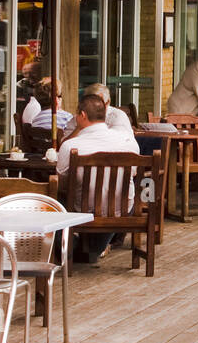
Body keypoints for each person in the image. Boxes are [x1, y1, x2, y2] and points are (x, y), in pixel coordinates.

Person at [56, 93, 142, 260]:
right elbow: (134, 173)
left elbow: (61, 182)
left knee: (56, 195)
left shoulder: (71, 145)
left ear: (82, 115)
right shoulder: (128, 142)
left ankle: (74, 248)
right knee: (110, 196)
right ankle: (93, 249)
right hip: (122, 210)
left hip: (83, 210)